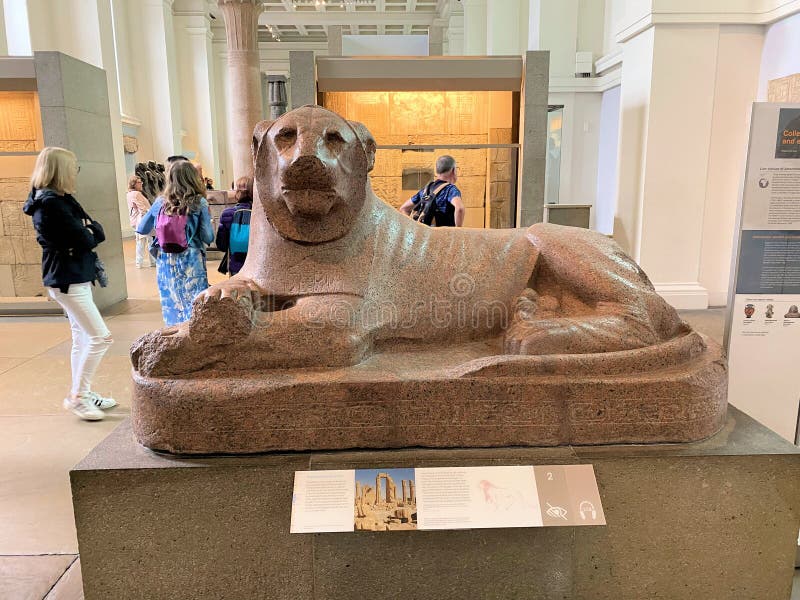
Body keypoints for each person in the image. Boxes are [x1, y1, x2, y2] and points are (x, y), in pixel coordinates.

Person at [22, 147, 116, 421]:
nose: (75, 173)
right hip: (67, 278)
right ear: (60, 170)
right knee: (101, 337)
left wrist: (90, 232)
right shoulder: (51, 204)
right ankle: (79, 396)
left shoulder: (58, 200)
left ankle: (80, 392)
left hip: (73, 274)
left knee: (82, 338)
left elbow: (88, 232)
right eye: (73, 167)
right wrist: (91, 232)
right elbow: (88, 236)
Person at [137, 160, 214, 326]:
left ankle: (175, 340)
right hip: (192, 260)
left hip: (165, 260)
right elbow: (208, 236)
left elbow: (142, 228)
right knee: (194, 305)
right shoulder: (199, 202)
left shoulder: (160, 202)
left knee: (171, 304)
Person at [399, 155, 465, 227]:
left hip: (425, 236)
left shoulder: (425, 190)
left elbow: (404, 208)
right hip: (443, 236)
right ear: (453, 170)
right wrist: (458, 231)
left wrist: (412, 228)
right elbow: (460, 208)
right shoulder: (450, 189)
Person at [215, 176, 253, 276]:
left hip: (235, 263)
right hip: (255, 265)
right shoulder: (259, 214)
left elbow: (221, 245)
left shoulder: (227, 213)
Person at [126, 175, 153, 268]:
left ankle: (140, 262)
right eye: (139, 182)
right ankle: (150, 261)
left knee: (141, 241)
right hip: (142, 221)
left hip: (136, 221)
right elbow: (142, 209)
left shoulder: (129, 194)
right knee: (147, 240)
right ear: (134, 184)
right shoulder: (136, 194)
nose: (141, 183)